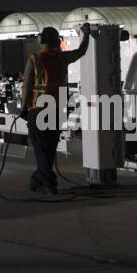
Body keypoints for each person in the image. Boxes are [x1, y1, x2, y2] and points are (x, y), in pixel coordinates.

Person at [21, 22, 92, 195]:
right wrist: (86, 34)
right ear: (56, 41)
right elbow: (82, 51)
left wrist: (23, 107)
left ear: (41, 40)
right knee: (50, 148)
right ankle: (37, 180)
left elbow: (27, 86)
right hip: (57, 110)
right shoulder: (63, 58)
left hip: (38, 109)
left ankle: (49, 183)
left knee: (40, 149)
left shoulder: (34, 59)